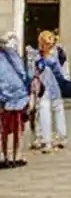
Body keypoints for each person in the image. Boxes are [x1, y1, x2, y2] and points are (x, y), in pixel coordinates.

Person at [32, 31, 70, 153]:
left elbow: (31, 72)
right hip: (54, 88)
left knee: (44, 113)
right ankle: (61, 137)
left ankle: (46, 140)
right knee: (57, 111)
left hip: (42, 89)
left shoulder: (37, 57)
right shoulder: (54, 57)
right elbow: (60, 73)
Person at [0, 32, 30, 168]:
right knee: (17, 126)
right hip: (17, 95)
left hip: (7, 96)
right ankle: (16, 156)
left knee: (4, 128)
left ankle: (3, 156)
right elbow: (23, 73)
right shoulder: (12, 54)